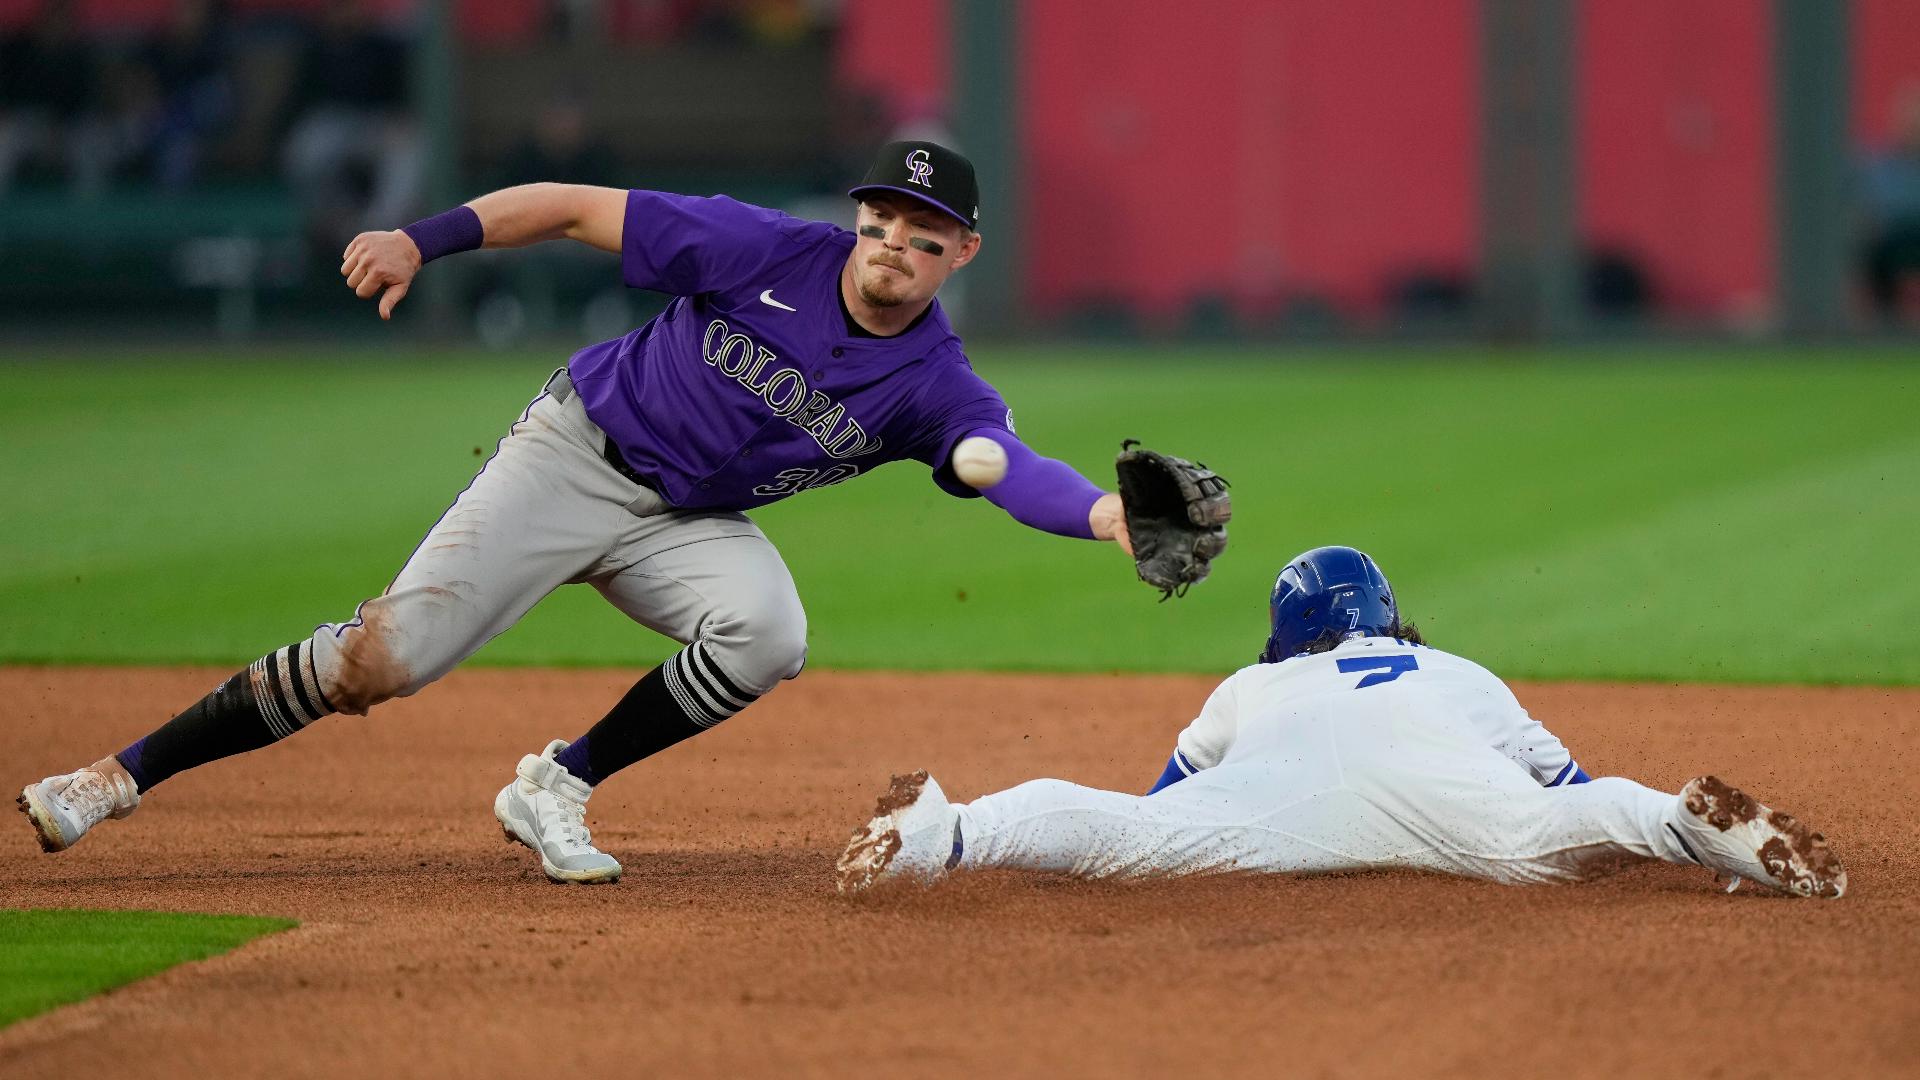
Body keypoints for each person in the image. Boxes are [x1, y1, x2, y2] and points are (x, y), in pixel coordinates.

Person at [18, 140, 1150, 886]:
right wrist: (426, 239)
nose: (894, 245)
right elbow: (567, 208)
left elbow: (1007, 464)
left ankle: (556, 782)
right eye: (882, 219)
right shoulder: (765, 247)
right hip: (575, 454)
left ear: (963, 251)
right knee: (380, 665)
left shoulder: (935, 383)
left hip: (685, 520)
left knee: (771, 635)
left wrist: (1108, 517)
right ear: (856, 217)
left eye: (924, 232)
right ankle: (115, 776)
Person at [837, 546, 1848, 900]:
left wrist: (1167, 837)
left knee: (1122, 835)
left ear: (1291, 631)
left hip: (1284, 801)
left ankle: (947, 830)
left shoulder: (1254, 684)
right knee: (1597, 821)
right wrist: (1619, 828)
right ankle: (1694, 825)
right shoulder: (1459, 670)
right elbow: (1571, 789)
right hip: (1460, 807)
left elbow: (1159, 802)